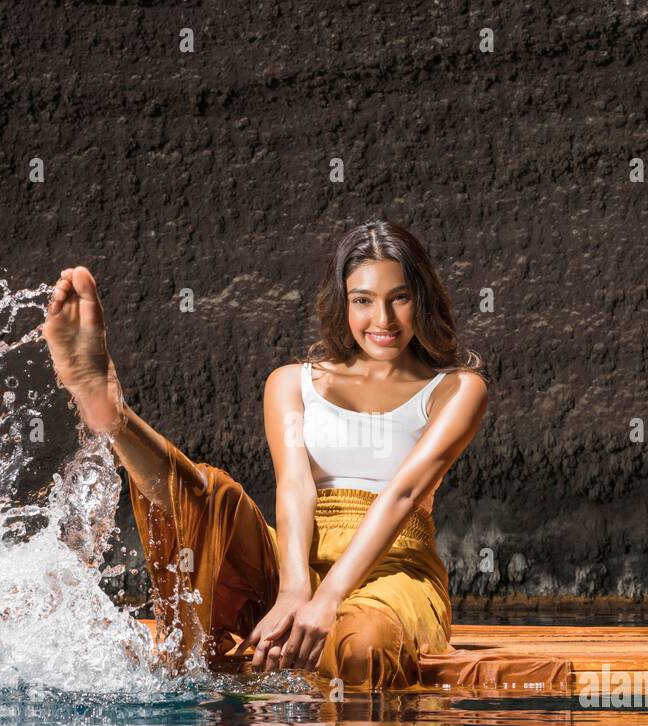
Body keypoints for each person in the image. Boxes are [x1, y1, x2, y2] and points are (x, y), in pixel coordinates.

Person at [42, 220, 487, 690]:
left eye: (399, 297)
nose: (383, 320)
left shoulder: (455, 389)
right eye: (363, 300)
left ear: (423, 296)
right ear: (343, 301)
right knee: (211, 492)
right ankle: (113, 417)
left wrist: (327, 598)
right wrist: (295, 589)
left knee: (363, 647)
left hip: (395, 568)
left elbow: (404, 492)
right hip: (290, 557)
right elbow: (294, 485)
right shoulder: (292, 382)